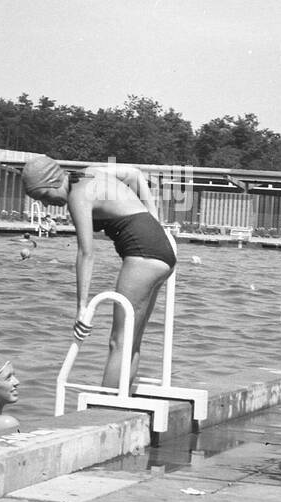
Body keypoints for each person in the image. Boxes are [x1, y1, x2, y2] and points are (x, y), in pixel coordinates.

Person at [22, 154, 176, 390]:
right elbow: (135, 175)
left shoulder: (77, 195)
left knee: (119, 342)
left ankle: (105, 411)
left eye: (43, 195)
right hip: (160, 251)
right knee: (130, 341)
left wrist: (82, 307)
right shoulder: (90, 171)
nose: (45, 203)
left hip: (143, 255)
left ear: (53, 181)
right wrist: (155, 219)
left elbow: (86, 253)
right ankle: (120, 401)